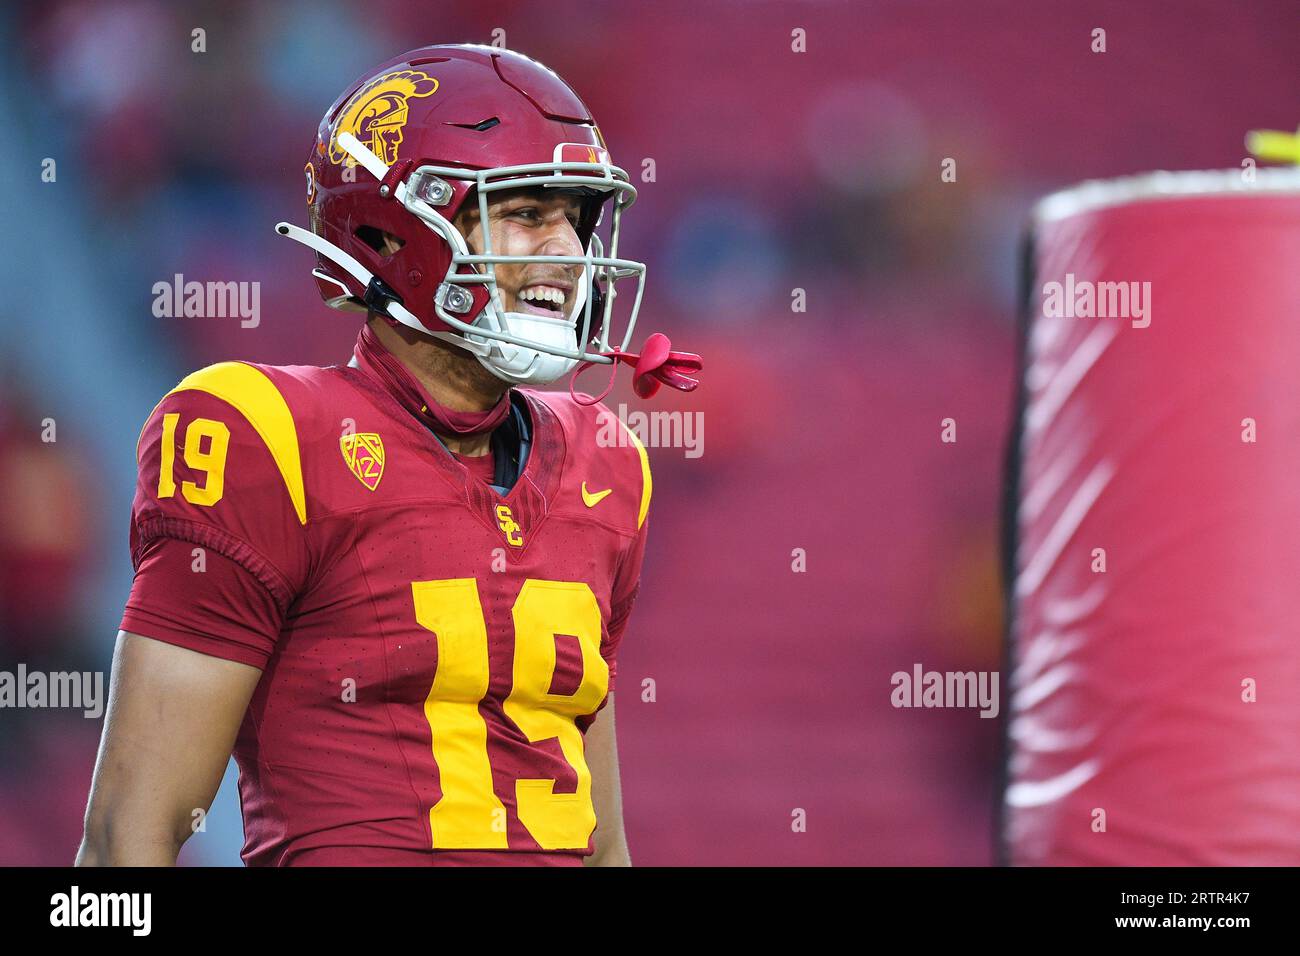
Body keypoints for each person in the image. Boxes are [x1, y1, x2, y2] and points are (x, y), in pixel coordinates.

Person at [77, 44, 699, 867]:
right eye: (526, 213)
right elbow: (131, 834)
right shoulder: (267, 435)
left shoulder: (605, 459)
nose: (568, 253)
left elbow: (601, 842)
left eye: (576, 219)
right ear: (397, 227)